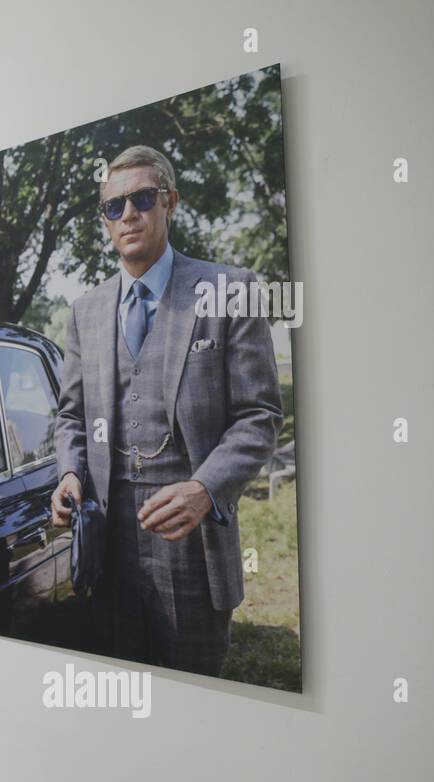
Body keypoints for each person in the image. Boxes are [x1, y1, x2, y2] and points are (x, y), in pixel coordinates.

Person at [50, 145, 282, 677]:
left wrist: (205, 490)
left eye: (142, 199)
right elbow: (70, 418)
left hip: (193, 543)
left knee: (197, 698)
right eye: (114, 206)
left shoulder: (230, 290)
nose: (128, 214)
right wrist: (69, 473)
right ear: (105, 220)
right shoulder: (85, 312)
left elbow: (261, 413)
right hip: (107, 542)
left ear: (169, 203)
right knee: (124, 695)